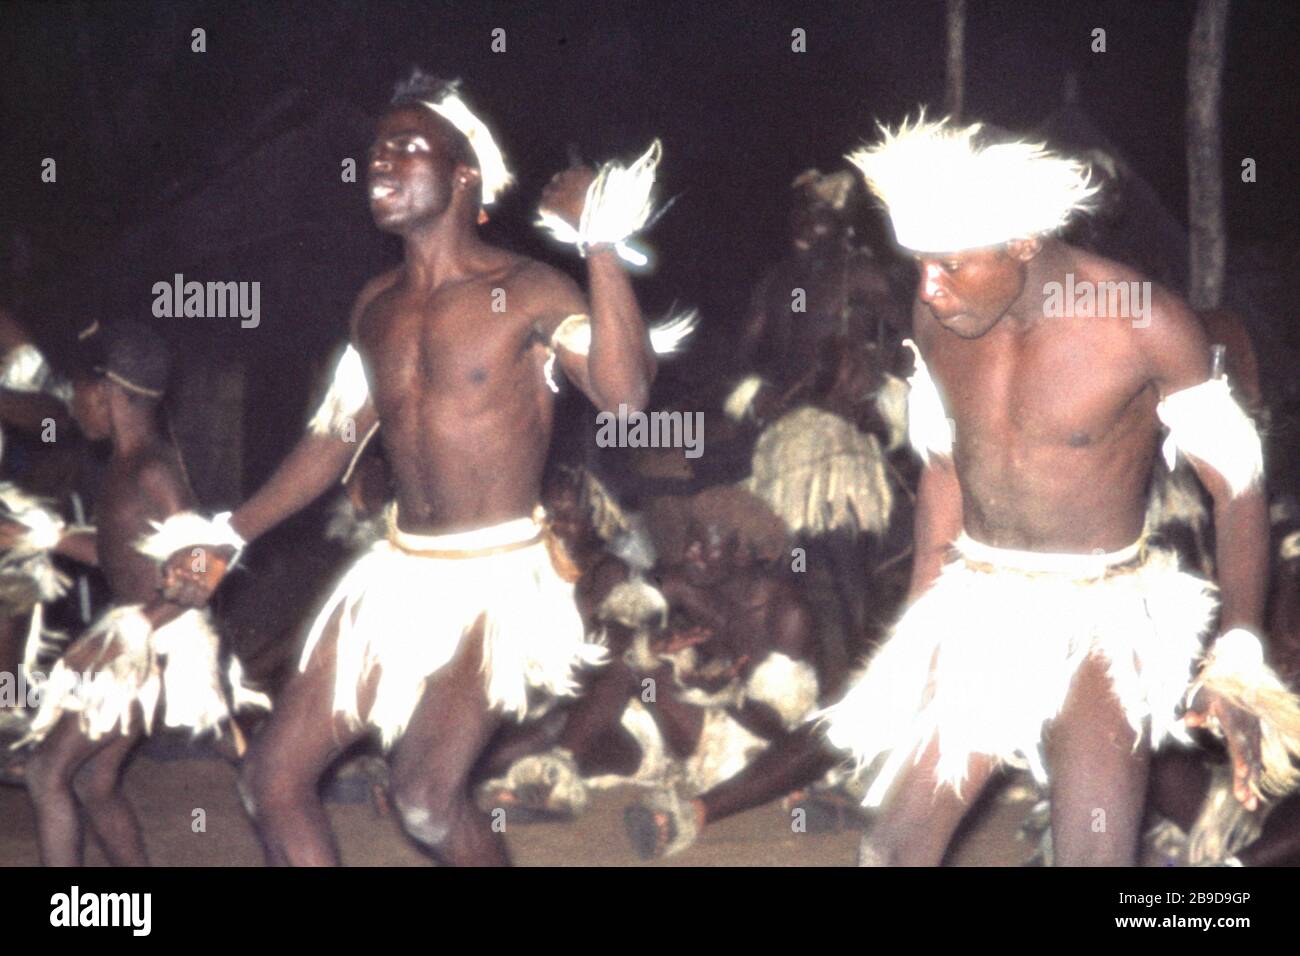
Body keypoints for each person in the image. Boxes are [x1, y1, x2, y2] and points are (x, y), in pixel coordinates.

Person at [159, 71, 686, 866]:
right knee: (268, 780)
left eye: (408, 148)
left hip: (498, 582)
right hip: (398, 573)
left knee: (426, 799)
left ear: (462, 173)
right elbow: (335, 438)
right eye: (376, 150)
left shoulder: (526, 289)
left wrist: (601, 245)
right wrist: (229, 534)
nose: (381, 163)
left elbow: (625, 396)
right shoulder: (376, 304)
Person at [820, 113, 1300, 866]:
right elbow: (946, 467)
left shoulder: (1142, 323)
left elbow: (1239, 486)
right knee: (893, 850)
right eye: (918, 266)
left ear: (1022, 244)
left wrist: (1239, 651)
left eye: (947, 265)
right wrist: (917, 630)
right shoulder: (939, 316)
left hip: (1106, 616)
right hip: (980, 601)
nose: (929, 290)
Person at [16, 322, 260, 865]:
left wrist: (138, 629)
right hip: (142, 633)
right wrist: (39, 534)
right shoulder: (126, 465)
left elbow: (205, 556)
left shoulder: (152, 467)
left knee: (46, 771)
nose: (72, 408)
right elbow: (117, 556)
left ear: (103, 392)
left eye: (75, 392)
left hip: (160, 640)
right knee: (92, 783)